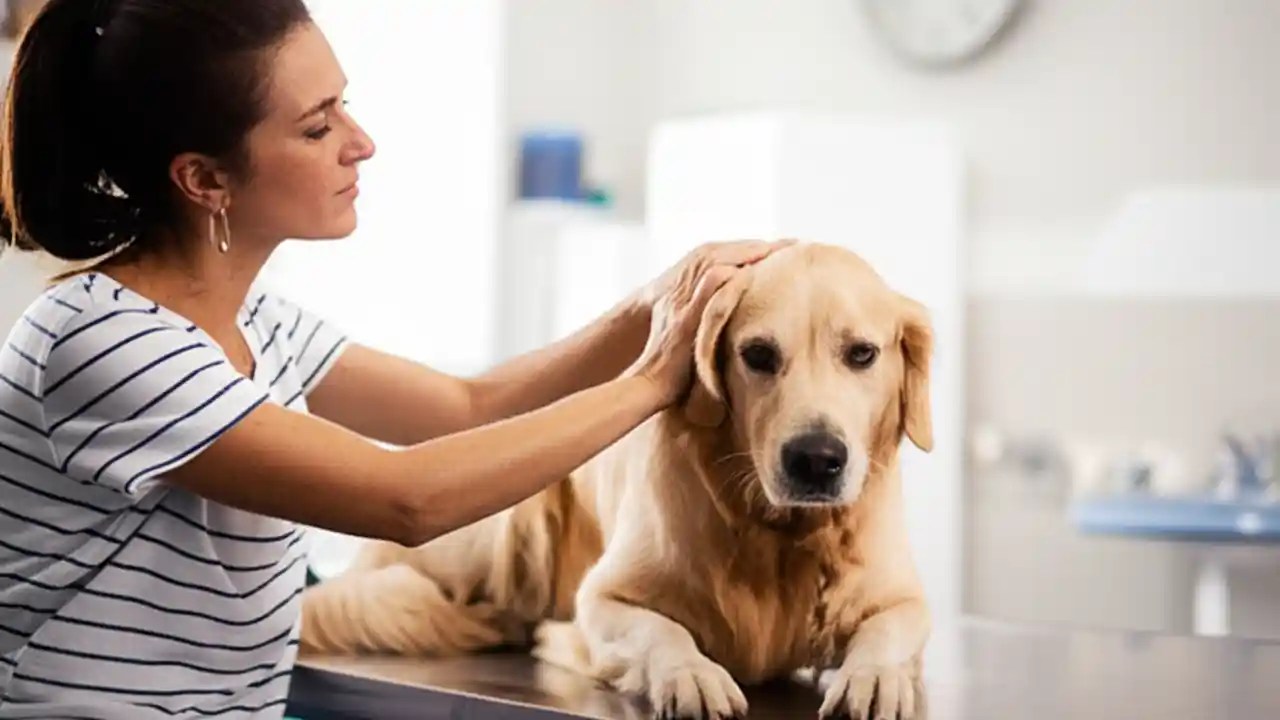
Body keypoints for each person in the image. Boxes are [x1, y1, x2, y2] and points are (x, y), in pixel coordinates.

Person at [0, 1, 789, 717]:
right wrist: (654, 380)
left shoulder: (250, 321)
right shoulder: (103, 344)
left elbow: (466, 407)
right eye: (316, 127)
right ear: (204, 179)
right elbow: (406, 501)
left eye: (344, 102)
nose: (361, 143)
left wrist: (654, 302)